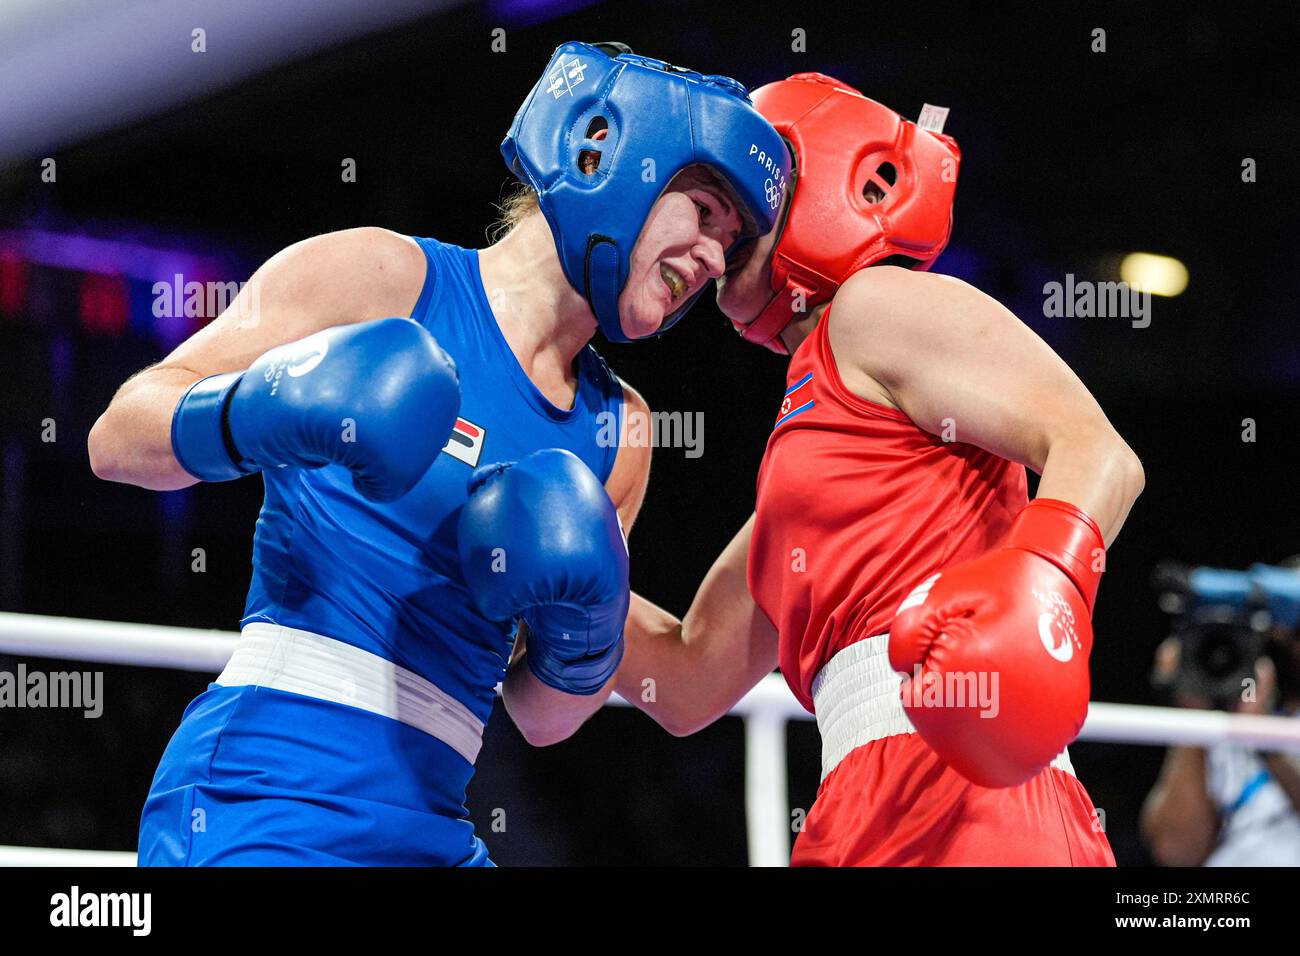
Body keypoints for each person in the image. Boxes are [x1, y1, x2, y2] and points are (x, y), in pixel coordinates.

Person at [87, 40, 790, 865]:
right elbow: (117, 436)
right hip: (263, 788)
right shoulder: (384, 277)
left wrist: (584, 638)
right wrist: (264, 410)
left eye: (732, 239)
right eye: (704, 209)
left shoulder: (620, 430)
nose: (713, 256)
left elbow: (543, 715)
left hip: (433, 822)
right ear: (605, 152)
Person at [612, 73, 1144, 865]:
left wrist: (1040, 596)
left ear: (823, 175)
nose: (724, 230)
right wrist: (547, 575)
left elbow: (1099, 453)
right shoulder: (807, 449)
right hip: (851, 805)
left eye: (747, 187)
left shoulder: (874, 307)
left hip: (973, 791)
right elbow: (689, 679)